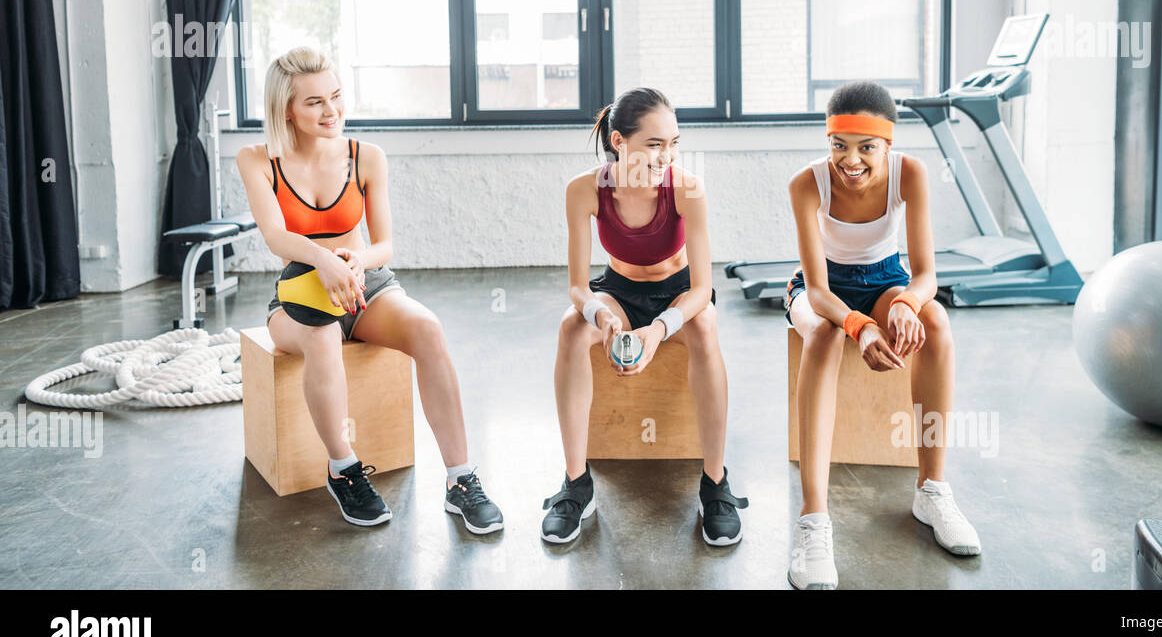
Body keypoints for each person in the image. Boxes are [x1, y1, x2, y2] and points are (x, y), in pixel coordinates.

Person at [236, 47, 502, 533]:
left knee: (427, 328)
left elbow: (385, 245)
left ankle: (461, 479)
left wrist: (355, 260)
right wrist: (321, 258)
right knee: (321, 336)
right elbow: (276, 238)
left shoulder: (367, 157)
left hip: (367, 287)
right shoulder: (258, 160)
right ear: (286, 109)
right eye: (314, 102)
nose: (331, 110)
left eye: (335, 96)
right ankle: (345, 470)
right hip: (298, 297)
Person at [785, 80, 981, 590]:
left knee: (936, 319)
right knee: (826, 337)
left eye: (866, 147)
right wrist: (862, 326)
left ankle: (932, 489)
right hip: (821, 287)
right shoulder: (806, 185)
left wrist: (908, 306)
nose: (851, 160)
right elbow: (821, 291)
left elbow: (925, 276)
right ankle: (813, 522)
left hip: (885, 281)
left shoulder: (909, 175)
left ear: (888, 145)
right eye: (839, 145)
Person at [541, 87, 748, 546]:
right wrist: (602, 317)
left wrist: (659, 329)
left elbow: (700, 288)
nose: (667, 155)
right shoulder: (583, 190)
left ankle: (715, 483)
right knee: (571, 327)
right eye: (655, 144)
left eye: (674, 143)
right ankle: (576, 484)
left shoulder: (688, 188)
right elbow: (578, 287)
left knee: (707, 324)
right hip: (618, 289)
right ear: (619, 142)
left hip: (678, 292)